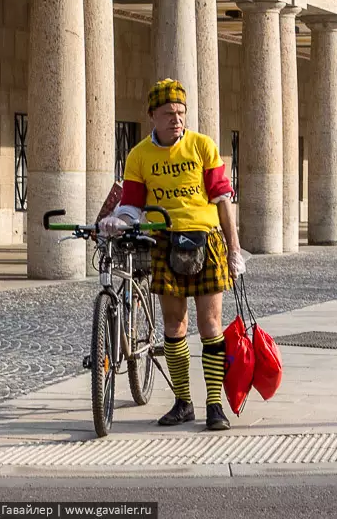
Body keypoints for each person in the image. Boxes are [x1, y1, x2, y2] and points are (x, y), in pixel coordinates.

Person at [99, 79, 247, 432]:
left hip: (206, 240)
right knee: (173, 326)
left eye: (180, 113)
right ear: (152, 116)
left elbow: (223, 202)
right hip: (164, 241)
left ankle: (215, 406)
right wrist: (117, 220)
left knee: (211, 326)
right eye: (168, 114)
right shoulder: (139, 156)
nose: (176, 120)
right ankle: (183, 403)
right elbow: (133, 204)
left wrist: (234, 249)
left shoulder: (203, 147)